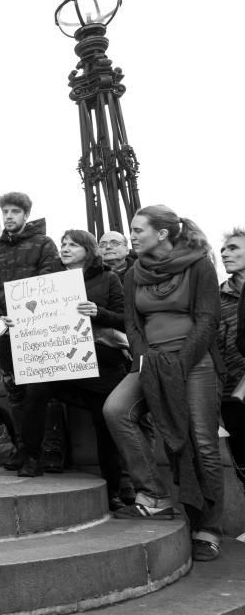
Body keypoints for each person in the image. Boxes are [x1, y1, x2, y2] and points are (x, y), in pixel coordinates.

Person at [103, 205, 223, 562]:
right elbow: (132, 323)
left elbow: (207, 320)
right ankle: (154, 494)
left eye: (139, 230)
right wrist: (145, 360)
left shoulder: (199, 265)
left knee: (202, 443)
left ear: (163, 233)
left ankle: (209, 528)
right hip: (151, 363)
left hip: (194, 361)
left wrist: (179, 364)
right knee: (116, 409)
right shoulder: (132, 273)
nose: (132, 236)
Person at [16, 231, 128, 503]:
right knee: (34, 393)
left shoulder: (108, 278)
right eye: (63, 244)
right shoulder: (46, 283)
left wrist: (98, 312)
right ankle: (31, 458)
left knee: (104, 423)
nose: (65, 248)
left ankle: (114, 486)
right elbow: (34, 319)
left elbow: (125, 320)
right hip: (60, 362)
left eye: (73, 244)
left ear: (88, 250)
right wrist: (18, 321)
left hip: (100, 363)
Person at [0, 192, 61, 470]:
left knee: (39, 393)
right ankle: (21, 449)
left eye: (15, 211)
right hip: (5, 330)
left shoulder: (43, 244)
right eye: (5, 212)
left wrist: (24, 314)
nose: (9, 216)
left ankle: (45, 452)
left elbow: (48, 281)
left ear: (26, 215)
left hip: (36, 331)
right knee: (14, 391)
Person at [217, 228, 245, 489]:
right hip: (232, 393)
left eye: (234, 248)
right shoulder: (217, 295)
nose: (225, 253)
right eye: (224, 249)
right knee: (242, 460)